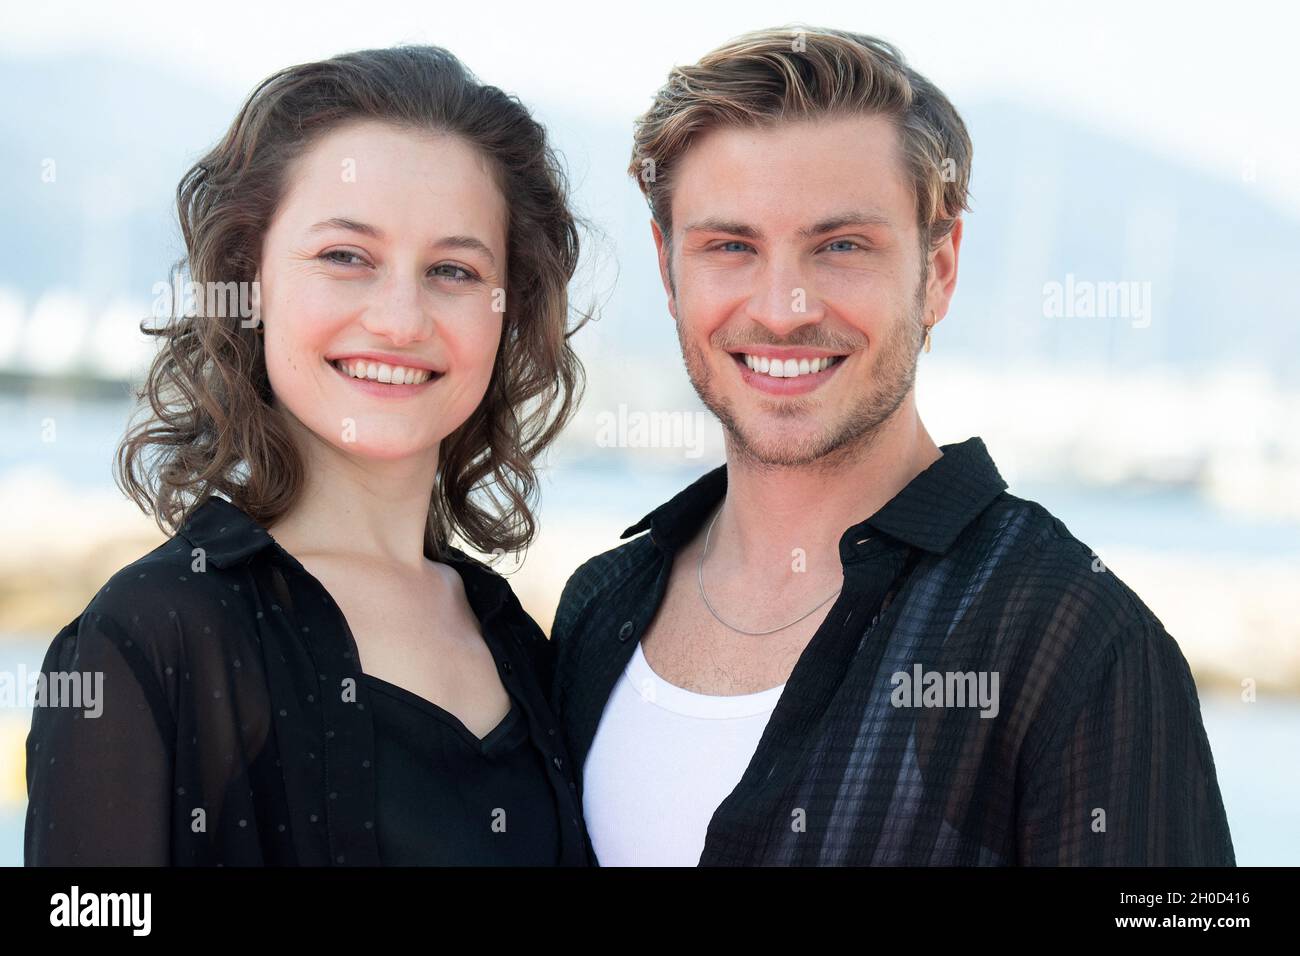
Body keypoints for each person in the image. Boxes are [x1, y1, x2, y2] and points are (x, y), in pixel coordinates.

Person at [550, 26, 1235, 866]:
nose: (784, 306)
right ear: (668, 271)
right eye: (731, 246)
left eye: (841, 246)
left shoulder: (1072, 639)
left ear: (937, 270)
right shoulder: (600, 606)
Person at [26, 45, 591, 866]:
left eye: (454, 270)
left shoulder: (524, 646)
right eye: (345, 257)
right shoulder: (153, 637)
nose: (400, 319)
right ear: (247, 283)